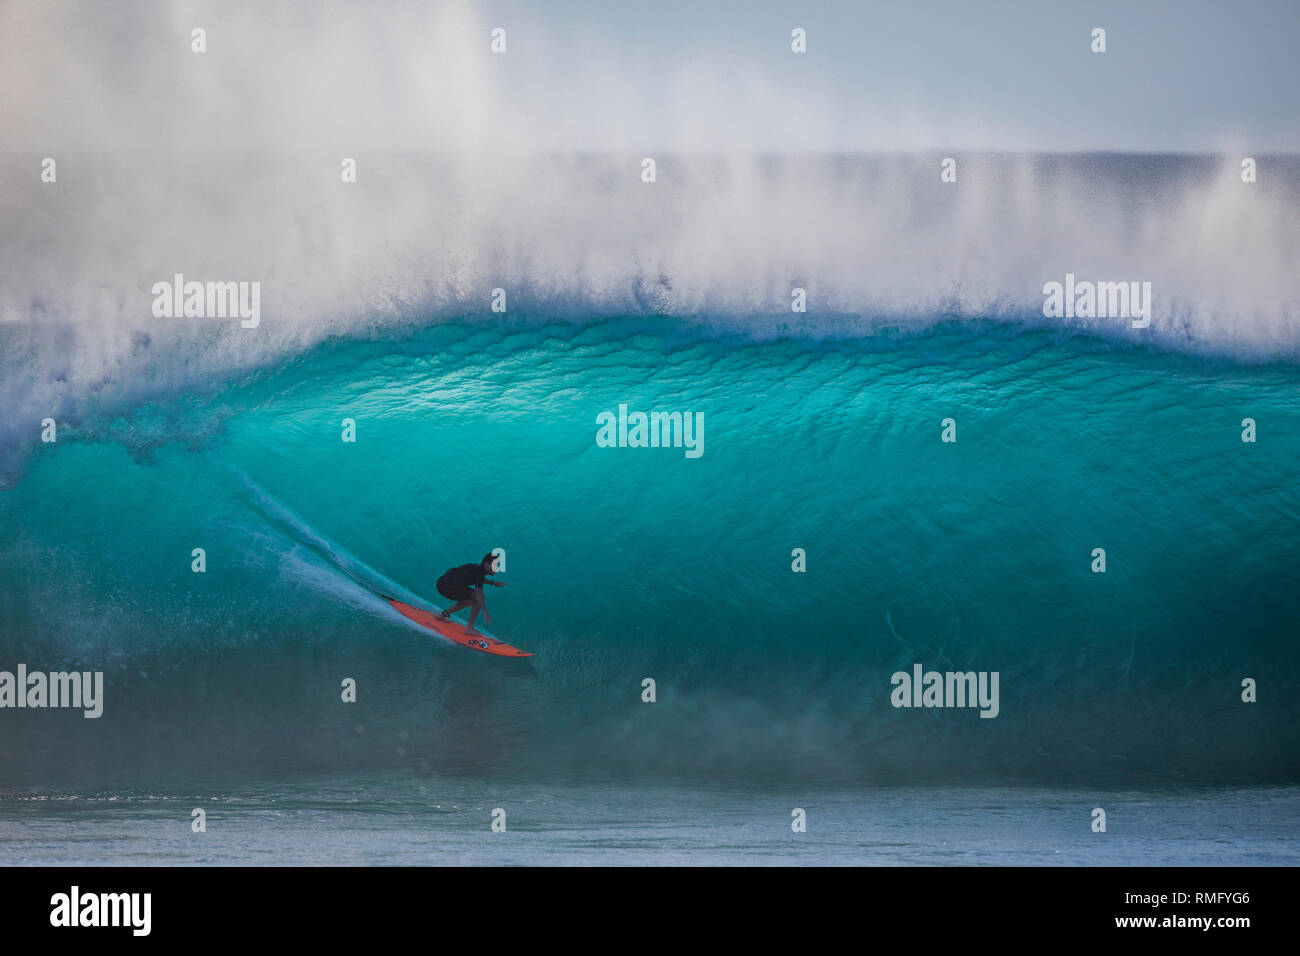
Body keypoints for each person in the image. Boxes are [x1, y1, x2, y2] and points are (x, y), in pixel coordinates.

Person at [435, 553, 506, 635]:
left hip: (441, 583)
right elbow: (479, 592)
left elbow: (478, 579)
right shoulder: (479, 574)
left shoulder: (475, 567)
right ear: (486, 563)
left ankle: (442, 615)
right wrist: (485, 612)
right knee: (476, 599)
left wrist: (492, 583)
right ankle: (470, 628)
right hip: (447, 587)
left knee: (470, 600)